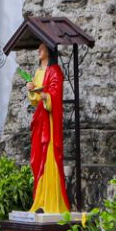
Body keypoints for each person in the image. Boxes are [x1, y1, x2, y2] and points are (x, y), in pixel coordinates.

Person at [27, 42, 69, 214]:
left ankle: (52, 201)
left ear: (49, 52)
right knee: (37, 158)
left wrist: (45, 95)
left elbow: (55, 94)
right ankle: (40, 200)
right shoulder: (38, 72)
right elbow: (35, 99)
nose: (39, 50)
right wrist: (32, 90)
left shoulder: (55, 71)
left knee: (49, 156)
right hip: (40, 119)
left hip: (50, 121)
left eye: (42, 48)